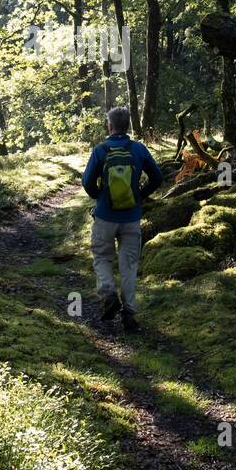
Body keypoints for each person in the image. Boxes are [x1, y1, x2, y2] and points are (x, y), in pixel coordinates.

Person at [81, 106, 163, 332]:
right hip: (131, 218)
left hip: (105, 217)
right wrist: (140, 196)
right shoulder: (138, 149)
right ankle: (129, 314)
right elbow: (157, 177)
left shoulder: (100, 150)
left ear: (109, 125)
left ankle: (108, 294)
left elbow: (87, 182)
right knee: (129, 266)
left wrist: (99, 198)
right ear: (127, 125)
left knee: (101, 258)